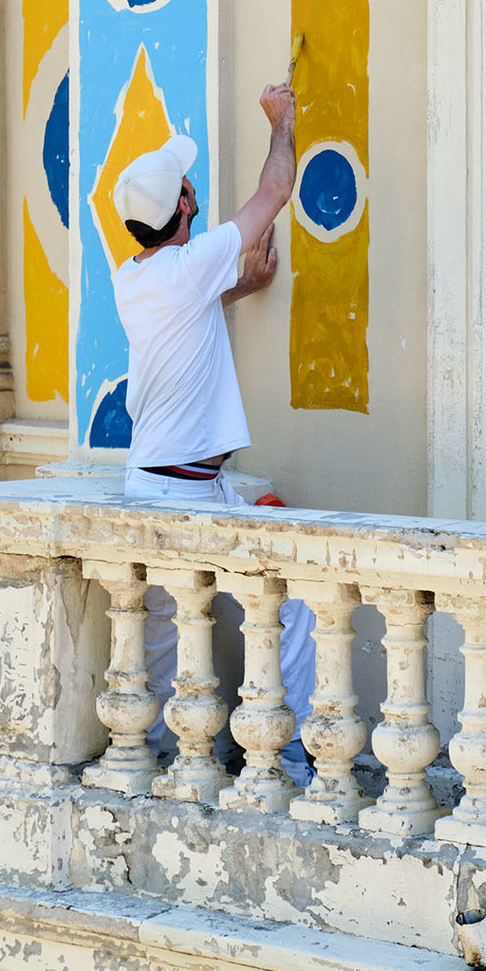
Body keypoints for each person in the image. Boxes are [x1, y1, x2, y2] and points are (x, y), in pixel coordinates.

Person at [111, 81, 315, 779]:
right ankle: (289, 758)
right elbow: (273, 192)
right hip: (184, 494)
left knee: (167, 638)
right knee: (289, 599)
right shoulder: (191, 263)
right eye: (188, 184)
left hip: (160, 482)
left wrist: (239, 289)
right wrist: (280, 123)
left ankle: (169, 760)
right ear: (186, 207)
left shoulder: (132, 275)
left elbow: (185, 306)